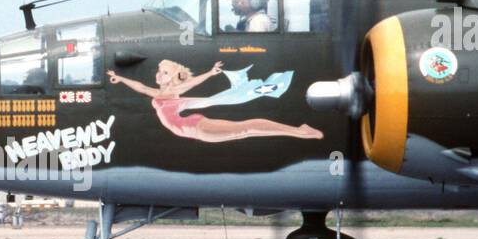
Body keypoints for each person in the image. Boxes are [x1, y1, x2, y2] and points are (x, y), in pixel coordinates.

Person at [108, 60, 323, 143]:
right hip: (191, 129)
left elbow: (192, 83)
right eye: (159, 71)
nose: (159, 74)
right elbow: (141, 87)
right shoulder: (157, 93)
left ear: (173, 77)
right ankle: (298, 131)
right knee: (245, 130)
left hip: (194, 127)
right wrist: (121, 78)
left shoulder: (176, 90)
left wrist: (210, 73)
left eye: (164, 72)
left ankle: (299, 131)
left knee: (245, 130)